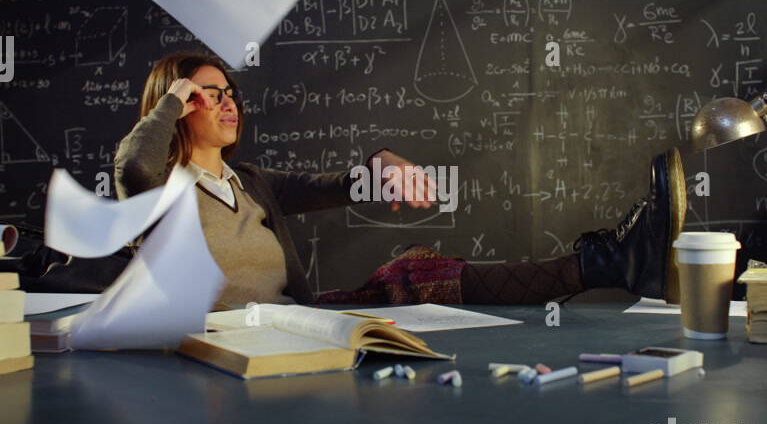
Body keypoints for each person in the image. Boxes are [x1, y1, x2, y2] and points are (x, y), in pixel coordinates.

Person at [114, 52, 687, 310]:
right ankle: (614, 263)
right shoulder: (156, 189)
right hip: (215, 345)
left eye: (230, 93)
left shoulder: (252, 182)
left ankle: (610, 264)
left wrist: (380, 165)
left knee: (414, 272)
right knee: (413, 276)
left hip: (292, 326)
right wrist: (168, 101)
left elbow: (340, 185)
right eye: (208, 94)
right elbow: (134, 164)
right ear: (177, 103)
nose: (228, 103)